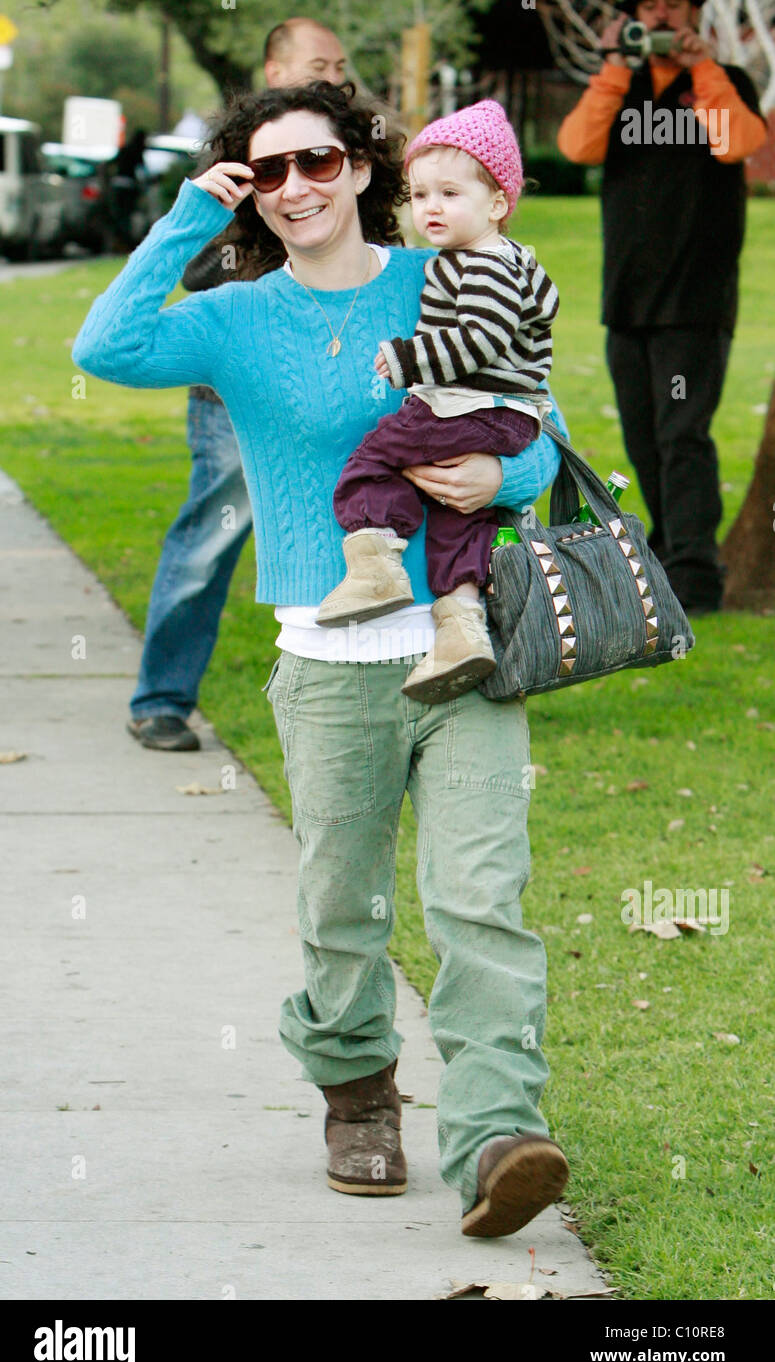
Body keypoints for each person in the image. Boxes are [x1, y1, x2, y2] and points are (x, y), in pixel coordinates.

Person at [72, 81, 571, 1238]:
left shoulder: (436, 273)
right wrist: (193, 216)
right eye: (269, 170)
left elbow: (535, 419)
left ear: (362, 166)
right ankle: (356, 1093)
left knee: (478, 900)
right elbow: (106, 343)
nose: (297, 185)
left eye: (319, 160)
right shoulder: (234, 316)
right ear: (252, 189)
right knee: (340, 905)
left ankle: (497, 1131)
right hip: (330, 659)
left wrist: (505, 481)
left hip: (468, 651)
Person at [128, 18, 349, 752]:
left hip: (335, 388)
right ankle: (161, 699)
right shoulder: (236, 159)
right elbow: (191, 273)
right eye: (320, 64)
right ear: (274, 67)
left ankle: (375, 692)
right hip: (235, 400)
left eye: (339, 67)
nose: (335, 77)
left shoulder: (339, 154)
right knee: (208, 542)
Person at [317, 99, 558, 704]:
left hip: (467, 407)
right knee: (459, 515)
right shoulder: (499, 259)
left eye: (450, 193)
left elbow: (479, 340)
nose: (431, 209)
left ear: (498, 203)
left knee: (375, 457)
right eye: (421, 195)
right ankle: (461, 628)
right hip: (502, 417)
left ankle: (376, 566)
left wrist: (408, 359)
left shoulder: (484, 266)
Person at [557, 0, 768, 616]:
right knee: (644, 436)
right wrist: (615, 67)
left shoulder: (729, 83)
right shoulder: (621, 86)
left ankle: (697, 575)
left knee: (682, 434)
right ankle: (672, 552)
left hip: (695, 299)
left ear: (698, 16)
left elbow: (739, 146)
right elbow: (578, 146)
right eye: (652, 6)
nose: (666, 16)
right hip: (627, 296)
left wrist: (702, 69)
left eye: (678, 5)